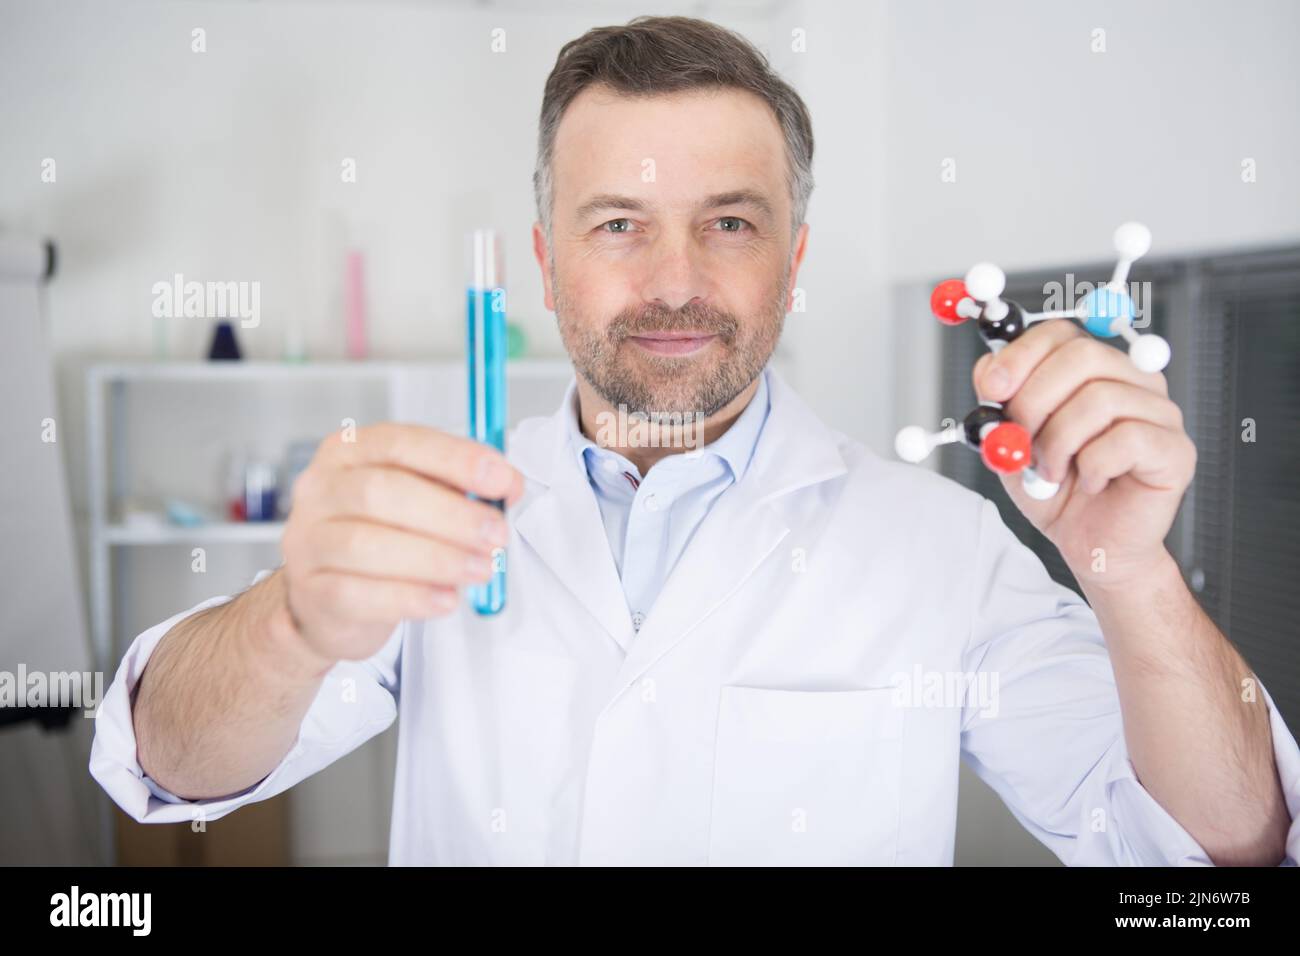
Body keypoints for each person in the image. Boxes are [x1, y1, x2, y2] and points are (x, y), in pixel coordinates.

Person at [91, 15, 1298, 866]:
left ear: (795, 257)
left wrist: (1130, 573)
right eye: (620, 223)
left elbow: (1209, 850)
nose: (676, 283)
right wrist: (295, 622)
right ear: (548, 260)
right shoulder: (431, 518)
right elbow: (167, 767)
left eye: (729, 220)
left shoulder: (943, 546)